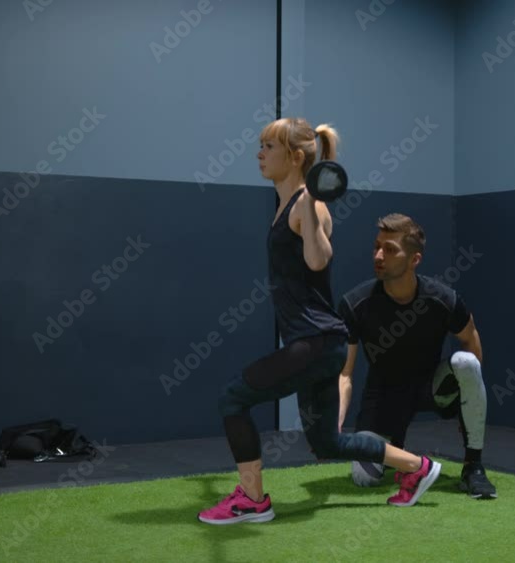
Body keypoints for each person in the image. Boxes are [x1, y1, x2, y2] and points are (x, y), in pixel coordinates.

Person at [197, 119, 442, 525]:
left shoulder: (306, 207)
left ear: (294, 157)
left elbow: (317, 258)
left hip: (315, 341)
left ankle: (253, 500)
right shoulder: (286, 203)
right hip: (320, 342)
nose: (259, 153)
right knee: (328, 442)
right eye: (260, 145)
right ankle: (417, 467)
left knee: (233, 399)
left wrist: (310, 204)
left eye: (268, 146)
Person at [336, 214, 497, 499]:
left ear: (414, 260)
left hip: (430, 388)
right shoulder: (356, 304)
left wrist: (465, 399)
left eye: (389, 249)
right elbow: (345, 374)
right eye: (376, 246)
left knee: (466, 363)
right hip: (383, 395)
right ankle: (396, 449)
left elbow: (472, 342)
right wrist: (334, 426)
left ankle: (473, 466)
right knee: (363, 478)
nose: (378, 255)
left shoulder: (443, 299)